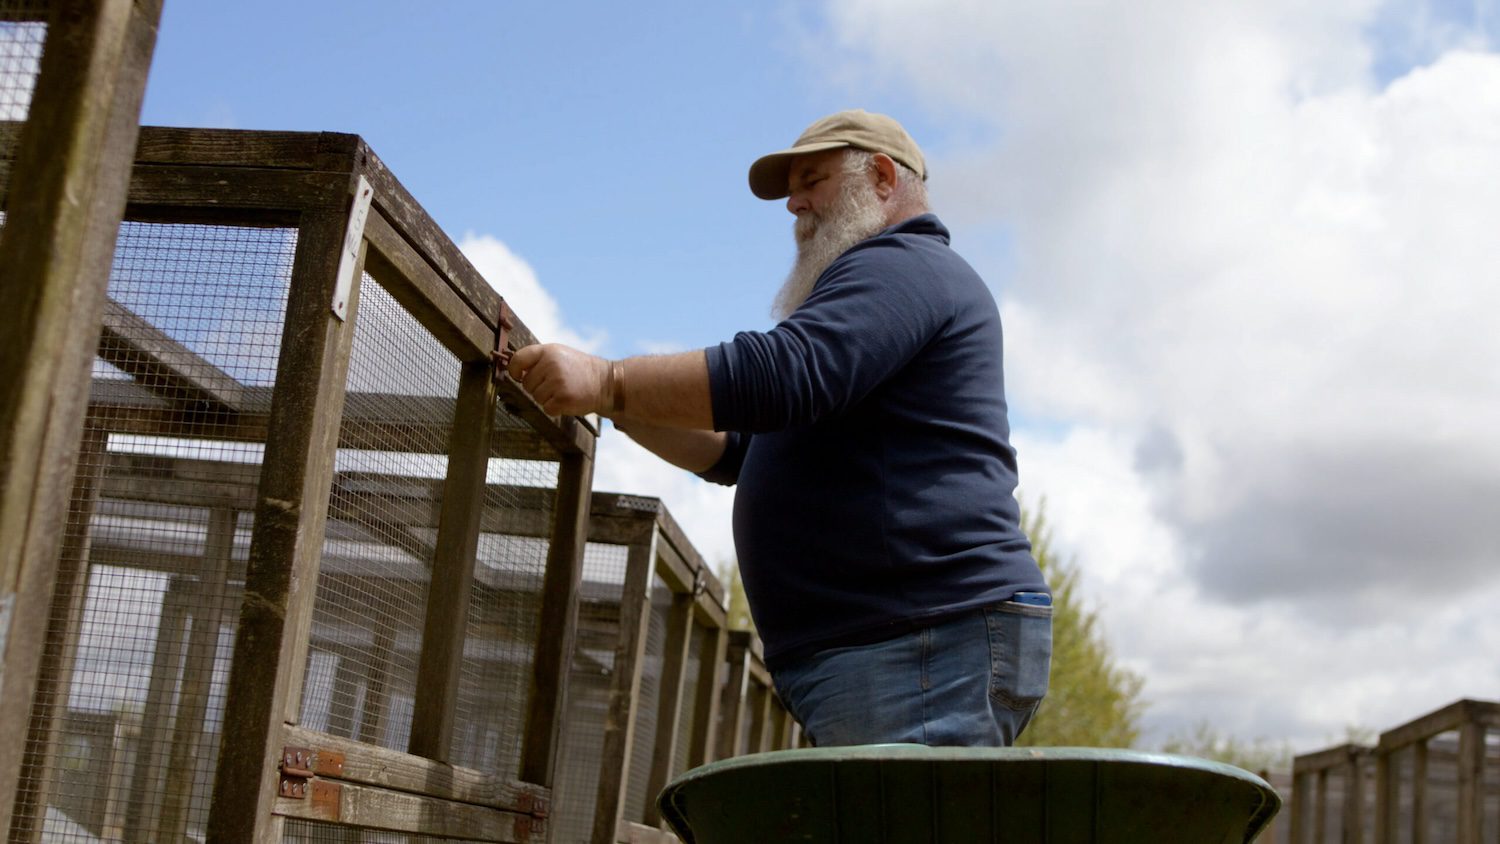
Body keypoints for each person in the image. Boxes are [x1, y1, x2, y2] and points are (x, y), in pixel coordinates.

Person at [503, 109, 1051, 747]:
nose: (793, 204)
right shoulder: (883, 289)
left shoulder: (906, 265)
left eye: (812, 181)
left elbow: (787, 373)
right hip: (903, 644)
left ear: (880, 176)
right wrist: (613, 405)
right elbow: (739, 450)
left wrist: (608, 379)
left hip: (918, 643)